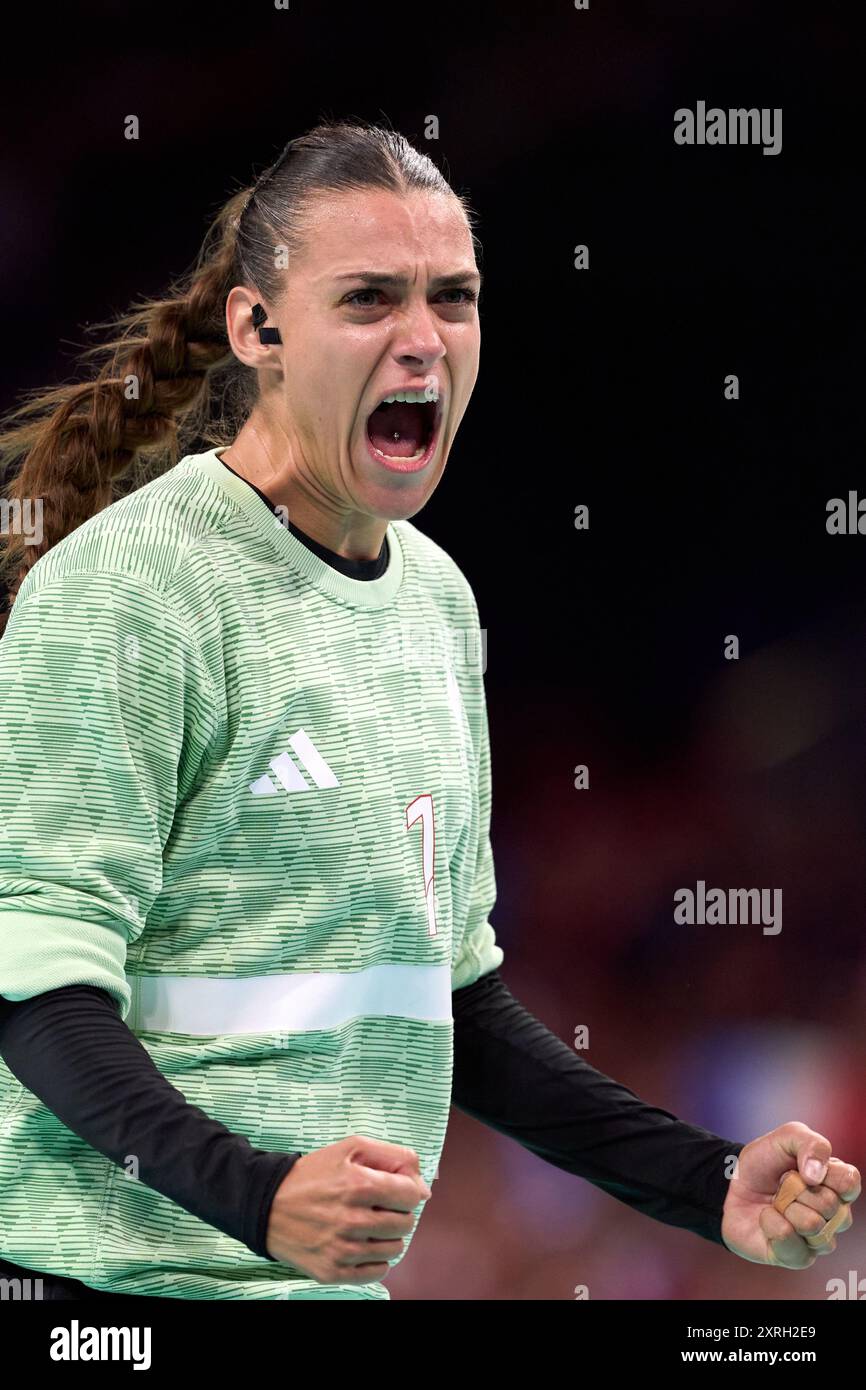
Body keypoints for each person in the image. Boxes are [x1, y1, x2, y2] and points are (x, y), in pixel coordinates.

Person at [0, 119, 858, 1301]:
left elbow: (451, 996)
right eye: (367, 300)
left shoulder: (438, 606)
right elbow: (35, 992)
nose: (421, 343)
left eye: (450, 300)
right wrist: (253, 1193)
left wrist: (704, 1182)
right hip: (105, 1300)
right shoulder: (125, 591)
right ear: (259, 330)